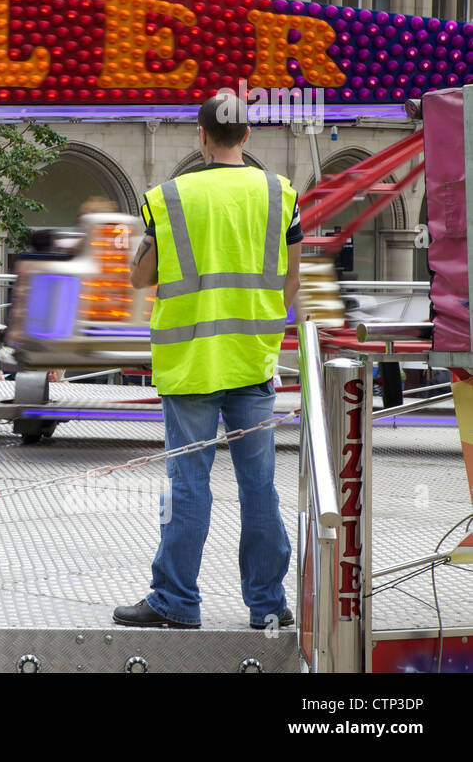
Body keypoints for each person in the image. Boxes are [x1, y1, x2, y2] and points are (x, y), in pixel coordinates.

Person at [113, 93, 301, 631]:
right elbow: (292, 277)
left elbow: (140, 277)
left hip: (190, 363)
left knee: (188, 485)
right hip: (253, 361)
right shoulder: (278, 193)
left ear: (200, 135)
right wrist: (268, 322)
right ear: (247, 135)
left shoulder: (170, 197)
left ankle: (176, 602)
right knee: (258, 486)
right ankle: (267, 605)